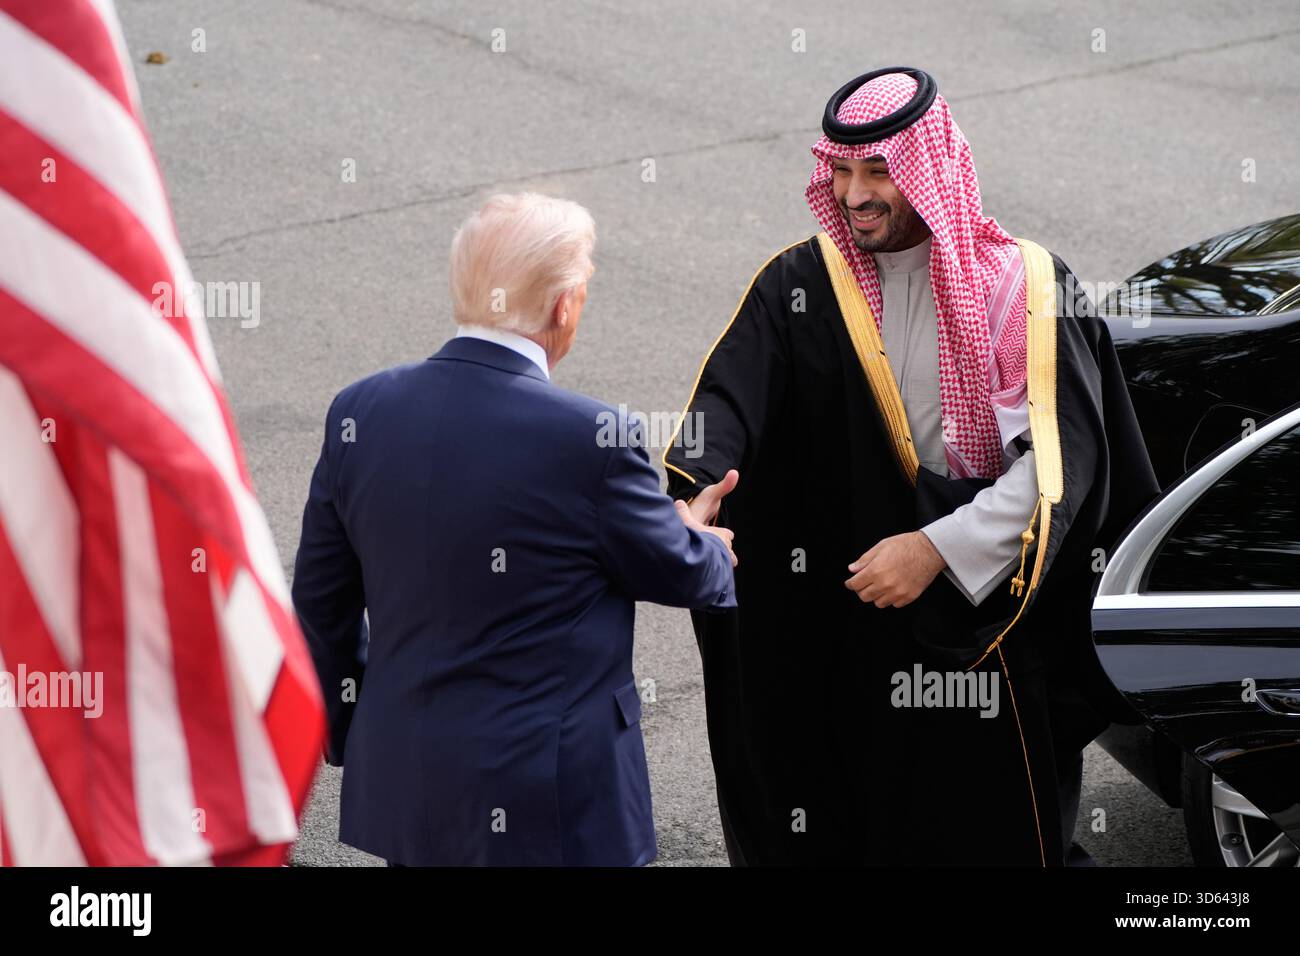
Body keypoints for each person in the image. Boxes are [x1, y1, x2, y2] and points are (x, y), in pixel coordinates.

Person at [664, 68, 1160, 866]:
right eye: (842, 172)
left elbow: (1055, 471)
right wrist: (695, 495)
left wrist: (933, 548)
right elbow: (730, 397)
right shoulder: (801, 282)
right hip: (834, 610)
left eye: (879, 171)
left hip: (972, 622)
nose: (855, 194)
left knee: (976, 827)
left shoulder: (1022, 289)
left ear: (929, 167)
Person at [292, 193, 739, 866]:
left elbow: (320, 602)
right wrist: (708, 544)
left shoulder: (360, 411)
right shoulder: (593, 437)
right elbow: (674, 570)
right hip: (554, 797)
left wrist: (359, 724)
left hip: (411, 781)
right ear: (565, 305)